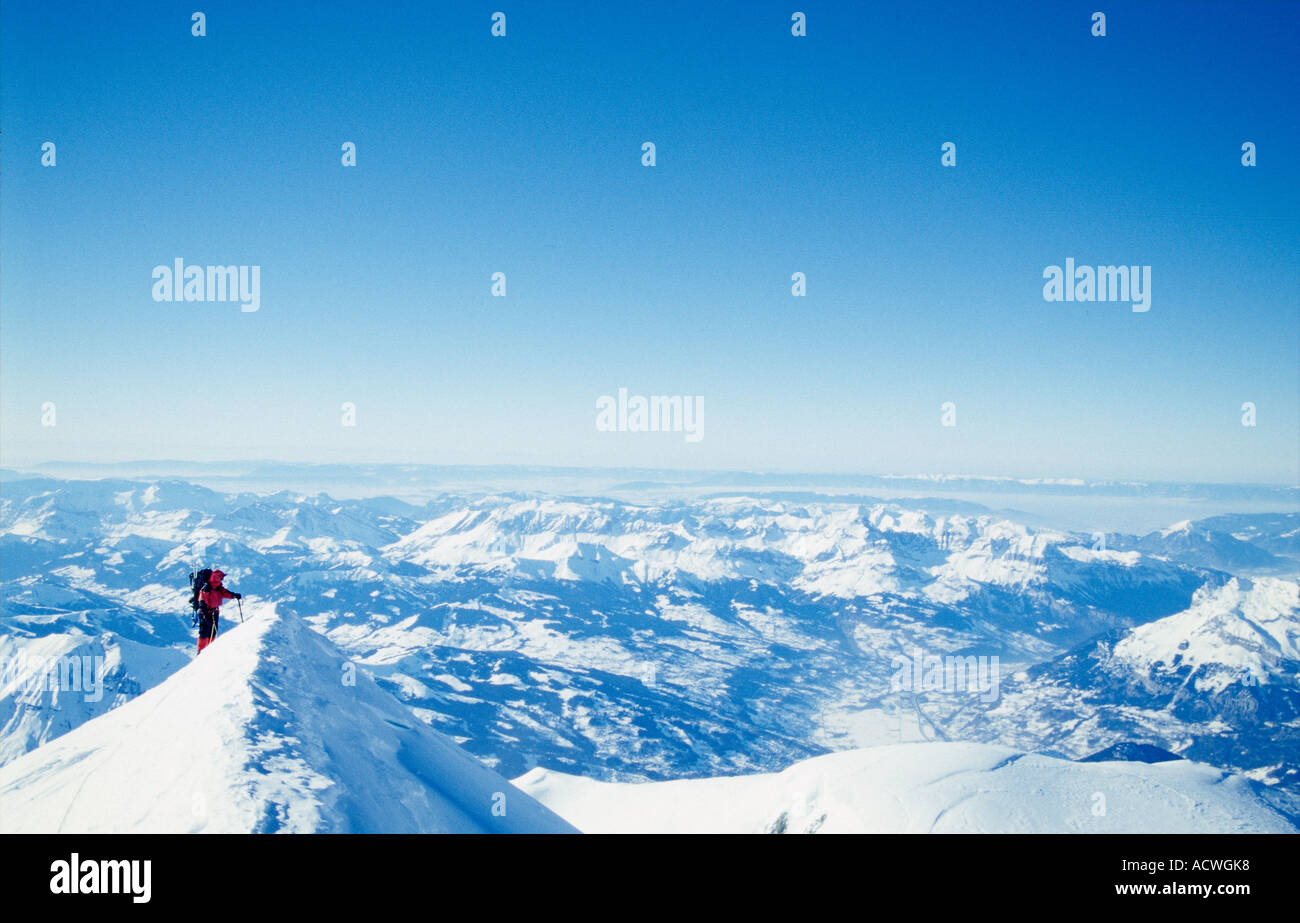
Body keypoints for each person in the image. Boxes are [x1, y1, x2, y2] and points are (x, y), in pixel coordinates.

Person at [196, 569, 241, 654]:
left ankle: (208, 649)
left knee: (211, 631)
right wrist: (204, 612)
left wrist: (234, 595)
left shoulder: (217, 587)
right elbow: (202, 600)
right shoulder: (207, 588)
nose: (222, 579)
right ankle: (201, 651)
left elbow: (226, 593)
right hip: (208, 612)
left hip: (213, 612)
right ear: (217, 578)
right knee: (205, 632)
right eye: (221, 577)